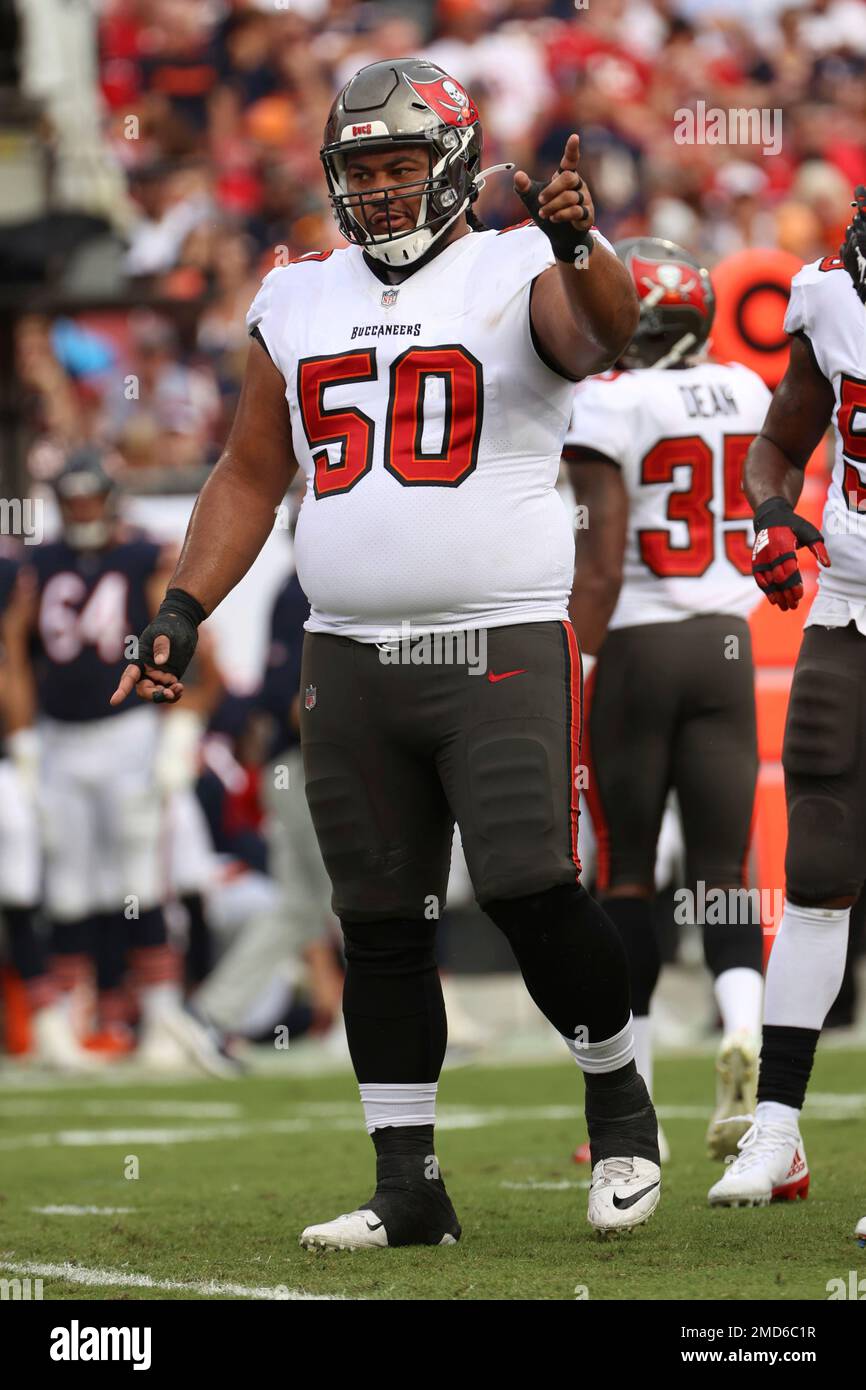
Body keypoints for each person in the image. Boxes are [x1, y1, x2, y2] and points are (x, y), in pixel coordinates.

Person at [112, 58, 661, 1245]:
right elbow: (252, 469)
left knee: (525, 880)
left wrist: (577, 246)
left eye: (402, 164)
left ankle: (618, 1096)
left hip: (498, 635)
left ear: (453, 164)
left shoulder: (517, 262)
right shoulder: (296, 294)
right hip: (350, 653)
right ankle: (407, 1182)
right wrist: (180, 608)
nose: (380, 189)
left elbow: (603, 335)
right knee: (376, 917)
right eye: (361, 170)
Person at [563, 238, 770, 1161]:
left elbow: (601, 562)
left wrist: (571, 664)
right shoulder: (748, 391)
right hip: (726, 647)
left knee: (630, 875)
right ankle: (747, 1027)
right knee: (724, 871)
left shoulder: (611, 400)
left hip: (641, 643)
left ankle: (632, 1092)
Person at [708, 187, 866, 1219]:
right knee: (813, 864)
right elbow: (779, 442)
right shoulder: (828, 300)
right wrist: (768, 512)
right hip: (848, 603)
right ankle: (776, 1129)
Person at [0, 447, 232, 1076]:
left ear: (108, 497)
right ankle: (68, 1023)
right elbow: (13, 657)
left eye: (88, 498)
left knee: (139, 878)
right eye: (71, 500)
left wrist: (180, 736)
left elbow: (192, 650)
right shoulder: (39, 563)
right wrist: (22, 743)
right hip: (60, 739)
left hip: (127, 733)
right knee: (68, 886)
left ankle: (160, 1018)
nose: (81, 511)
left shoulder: (141, 556)